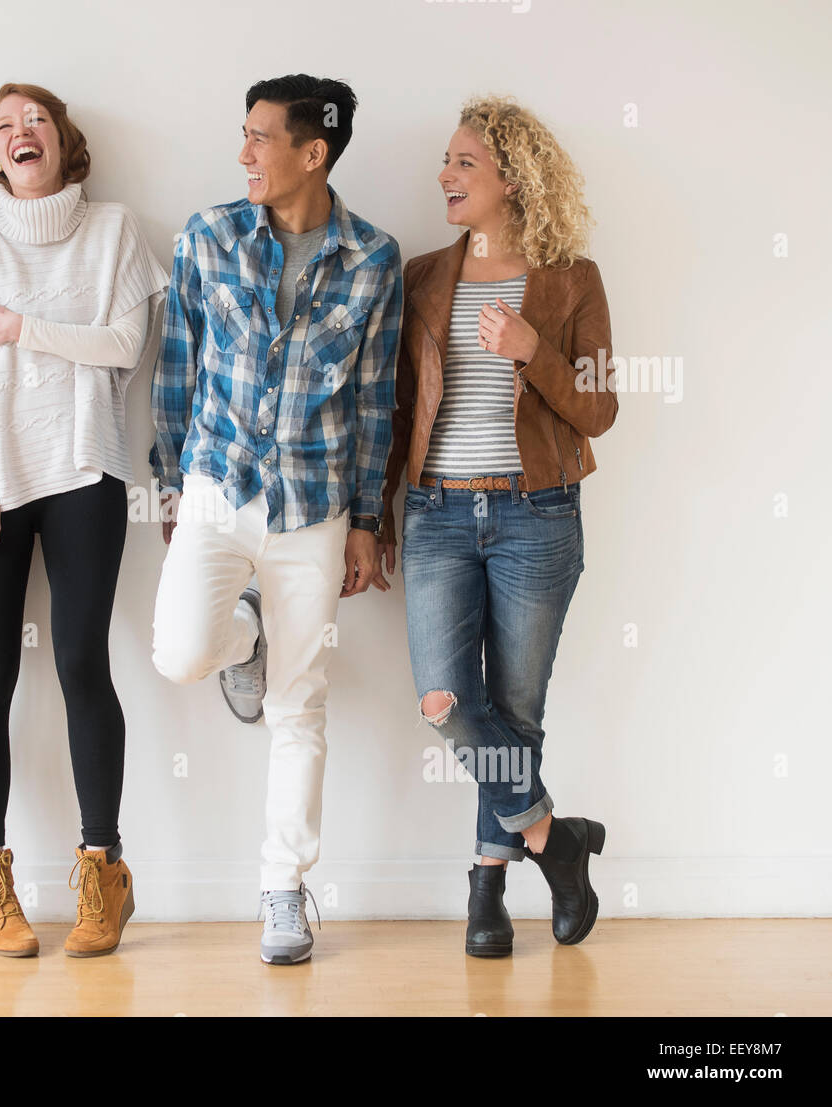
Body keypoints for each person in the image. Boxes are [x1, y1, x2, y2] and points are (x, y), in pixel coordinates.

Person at [149, 74, 400, 965]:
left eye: (260, 138)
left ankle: (284, 891)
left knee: (300, 704)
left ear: (312, 152)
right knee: (180, 652)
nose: (244, 152)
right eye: (243, 134)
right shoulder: (209, 236)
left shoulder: (374, 259)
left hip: (314, 508)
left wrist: (368, 521)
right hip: (217, 487)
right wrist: (170, 485)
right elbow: (176, 360)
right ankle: (239, 636)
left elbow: (376, 399)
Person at [0, 83, 168, 958]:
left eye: (38, 122)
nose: (22, 134)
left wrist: (13, 324)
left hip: (84, 468)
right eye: (4, 127)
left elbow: (122, 348)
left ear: (66, 142)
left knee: (81, 666)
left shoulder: (114, 232)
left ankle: (104, 871)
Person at [377, 96, 616, 957]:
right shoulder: (424, 277)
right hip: (439, 508)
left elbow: (598, 408)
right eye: (447, 160)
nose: (446, 174)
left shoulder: (571, 278)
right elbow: (399, 410)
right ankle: (558, 841)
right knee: (446, 702)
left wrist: (530, 349)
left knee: (515, 712)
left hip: (538, 510)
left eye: (464, 163)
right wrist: (378, 517)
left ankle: (488, 884)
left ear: (512, 179)